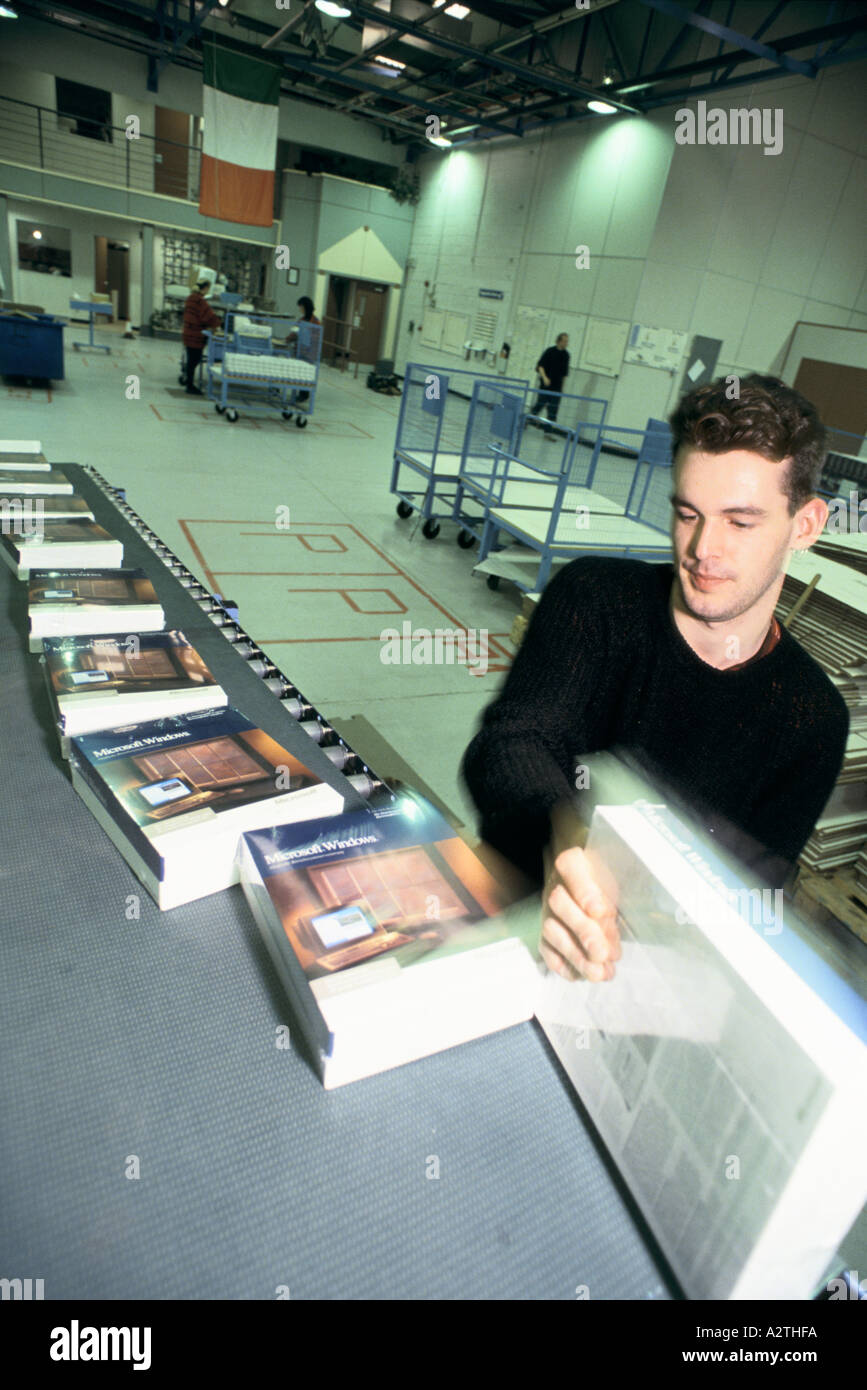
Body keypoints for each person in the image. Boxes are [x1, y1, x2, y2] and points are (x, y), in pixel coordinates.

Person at [462, 374, 848, 982]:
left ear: (805, 524)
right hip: (515, 913)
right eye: (687, 512)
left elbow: (758, 886)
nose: (701, 548)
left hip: (651, 973)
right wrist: (567, 841)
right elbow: (513, 742)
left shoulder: (813, 718)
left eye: (739, 522)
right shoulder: (594, 600)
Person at [181, 278, 220, 395]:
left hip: (187, 332)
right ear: (205, 288)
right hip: (196, 335)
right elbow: (207, 317)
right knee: (195, 359)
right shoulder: (200, 301)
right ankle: (189, 385)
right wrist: (218, 323)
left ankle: (188, 379)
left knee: (191, 359)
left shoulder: (190, 298)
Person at [531, 332, 570, 432]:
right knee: (539, 405)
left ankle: (548, 432)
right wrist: (545, 378)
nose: (566, 343)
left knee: (553, 411)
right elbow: (540, 366)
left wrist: (562, 388)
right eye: (564, 341)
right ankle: (526, 420)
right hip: (546, 386)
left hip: (557, 387)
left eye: (567, 341)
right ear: (559, 341)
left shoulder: (566, 355)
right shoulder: (550, 351)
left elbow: (565, 373)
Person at [294, 296, 320, 404]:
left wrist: (306, 335)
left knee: (306, 374)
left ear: (305, 306)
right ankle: (300, 393)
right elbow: (294, 332)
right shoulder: (301, 320)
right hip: (301, 351)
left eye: (300, 307)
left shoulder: (315, 322)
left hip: (310, 353)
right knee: (299, 373)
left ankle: (304, 394)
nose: (300, 309)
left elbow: (317, 336)